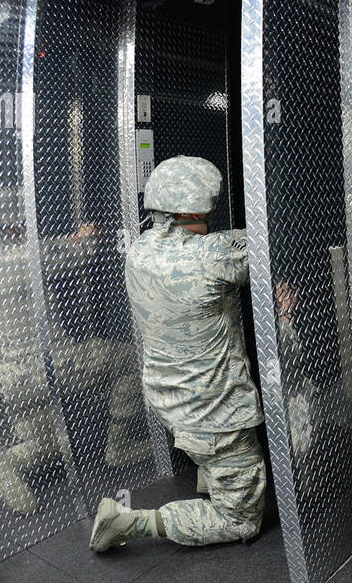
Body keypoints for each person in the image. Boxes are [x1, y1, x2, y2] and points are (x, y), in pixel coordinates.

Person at [90, 156, 267, 551]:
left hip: (168, 398)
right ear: (190, 210)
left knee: (215, 458)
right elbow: (266, 239)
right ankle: (127, 522)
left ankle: (214, 476)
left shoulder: (139, 250)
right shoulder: (213, 254)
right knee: (239, 520)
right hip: (215, 412)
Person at [0, 186, 147, 515]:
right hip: (52, 369)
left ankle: (4, 460)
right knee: (131, 358)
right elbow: (80, 252)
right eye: (21, 223)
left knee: (42, 446)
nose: (27, 228)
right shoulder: (23, 255)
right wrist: (86, 235)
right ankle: (119, 447)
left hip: (13, 383)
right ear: (9, 226)